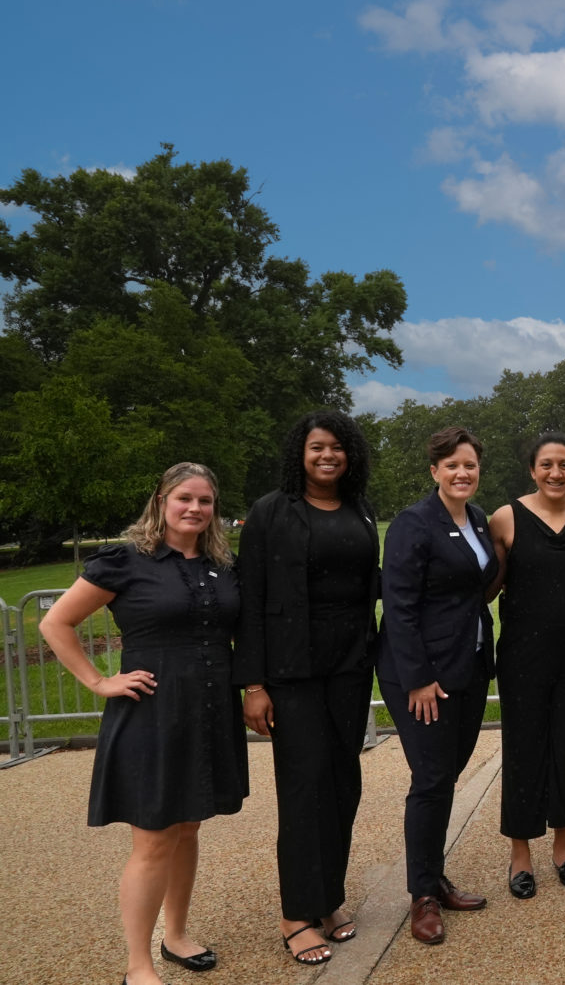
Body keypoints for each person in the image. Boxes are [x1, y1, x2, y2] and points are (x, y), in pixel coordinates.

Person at [40, 463, 246, 985]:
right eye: (184, 498)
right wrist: (99, 681)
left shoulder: (222, 563)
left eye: (205, 500)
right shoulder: (126, 561)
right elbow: (55, 622)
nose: (195, 508)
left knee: (189, 826)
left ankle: (176, 935)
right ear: (161, 500)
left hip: (208, 710)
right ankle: (138, 965)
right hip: (153, 712)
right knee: (154, 837)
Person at [235, 412, 380, 963]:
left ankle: (329, 898)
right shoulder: (272, 511)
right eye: (318, 447)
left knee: (344, 782)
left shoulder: (359, 509)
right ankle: (297, 912)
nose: (328, 456)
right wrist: (252, 682)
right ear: (301, 453)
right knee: (304, 785)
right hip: (290, 672)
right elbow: (250, 600)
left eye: (338, 448)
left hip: (348, 665)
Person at [378, 428, 500, 946]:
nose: (462, 473)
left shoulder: (475, 520)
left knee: (446, 776)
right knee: (430, 779)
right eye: (451, 465)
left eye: (469, 465)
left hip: (468, 666)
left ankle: (435, 876)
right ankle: (422, 896)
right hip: (423, 676)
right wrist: (419, 679)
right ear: (434, 471)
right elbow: (398, 607)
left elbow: (482, 584)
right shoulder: (413, 523)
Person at [490, 432, 565, 898]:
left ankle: (563, 845)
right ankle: (520, 852)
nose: (555, 473)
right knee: (523, 749)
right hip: (522, 654)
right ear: (532, 470)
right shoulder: (505, 518)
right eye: (546, 465)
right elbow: (487, 586)